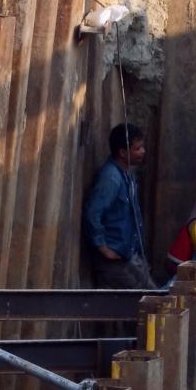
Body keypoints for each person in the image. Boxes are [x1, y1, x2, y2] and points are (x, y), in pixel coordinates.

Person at [83, 123, 157, 289]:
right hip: (114, 261)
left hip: (127, 256)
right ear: (123, 152)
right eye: (138, 148)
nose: (143, 152)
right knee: (149, 301)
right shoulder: (111, 178)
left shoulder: (126, 174)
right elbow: (92, 213)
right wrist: (103, 248)